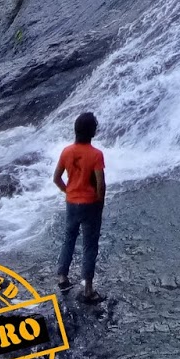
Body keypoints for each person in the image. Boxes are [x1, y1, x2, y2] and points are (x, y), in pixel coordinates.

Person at [54, 110, 106, 303]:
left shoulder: (66, 151)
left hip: (71, 203)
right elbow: (100, 183)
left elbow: (56, 178)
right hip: (90, 204)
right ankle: (88, 289)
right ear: (92, 132)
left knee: (69, 238)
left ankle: (62, 276)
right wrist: (100, 202)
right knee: (90, 246)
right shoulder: (96, 155)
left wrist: (68, 192)